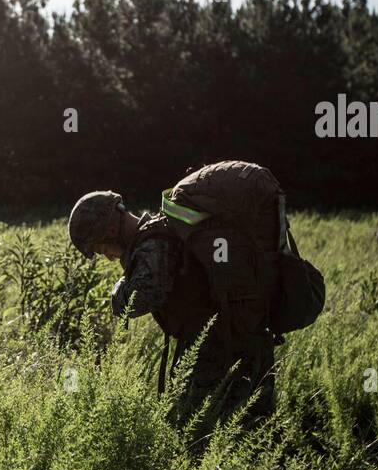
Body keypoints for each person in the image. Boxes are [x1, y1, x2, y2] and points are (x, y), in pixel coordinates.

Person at [69, 163, 293, 427]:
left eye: (99, 247)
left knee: (195, 434)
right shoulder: (163, 233)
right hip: (245, 333)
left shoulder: (153, 245)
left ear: (109, 230)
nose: (106, 255)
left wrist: (117, 291)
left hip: (215, 350)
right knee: (255, 430)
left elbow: (136, 300)